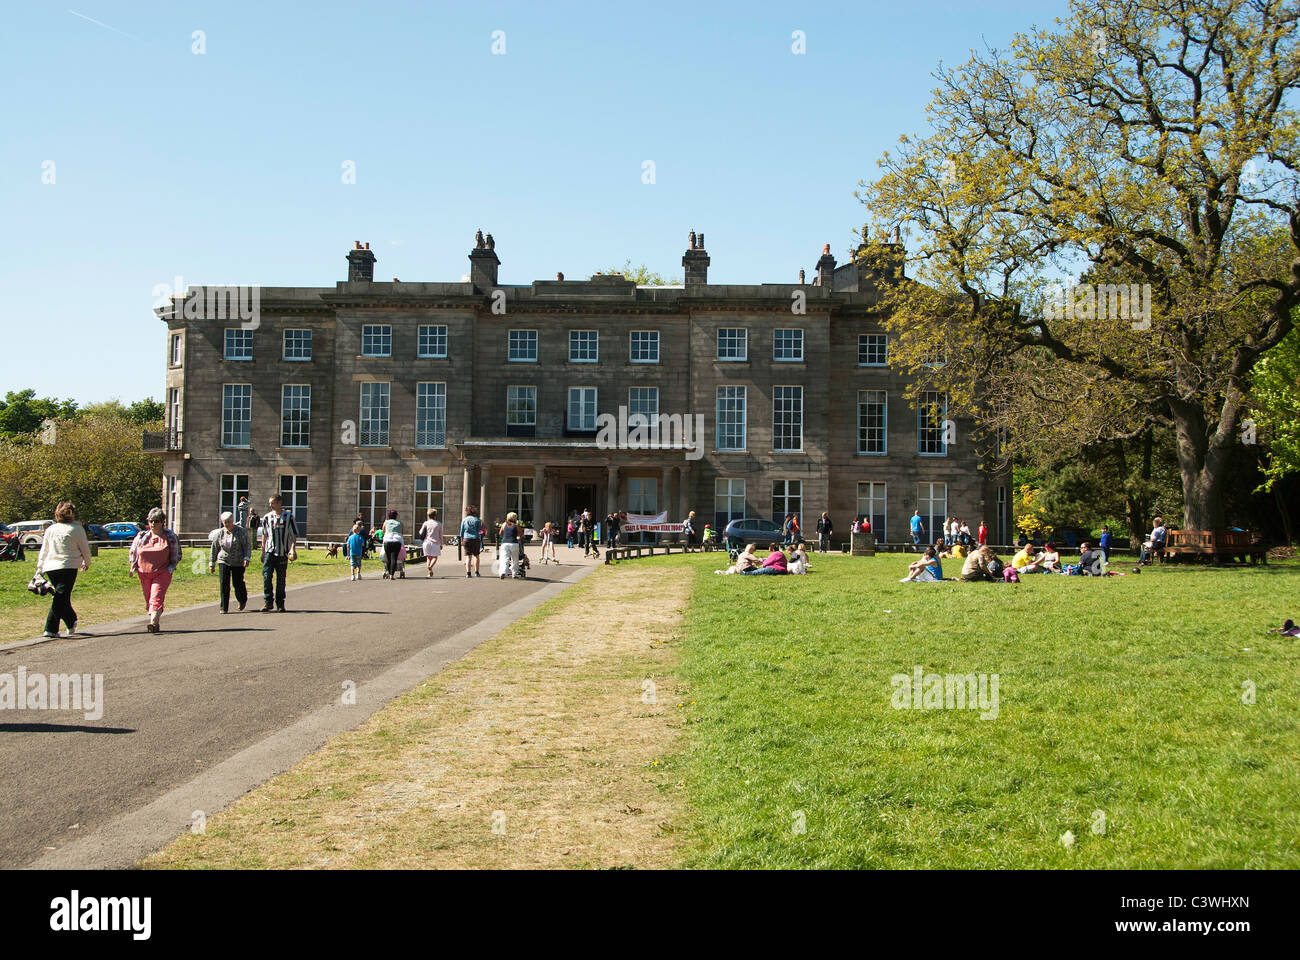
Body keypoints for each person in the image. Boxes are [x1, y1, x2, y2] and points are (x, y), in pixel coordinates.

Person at [35, 501, 93, 638]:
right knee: (61, 597)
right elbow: (85, 548)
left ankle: (70, 621)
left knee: (61, 596)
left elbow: (44, 550)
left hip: (51, 567)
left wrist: (40, 567)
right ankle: (51, 628)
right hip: (68, 566)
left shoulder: (51, 529)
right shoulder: (77, 529)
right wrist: (87, 562)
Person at [129, 507, 182, 632]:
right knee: (149, 599)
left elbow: (177, 554)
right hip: (144, 573)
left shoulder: (169, 536)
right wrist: (133, 567)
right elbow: (133, 552)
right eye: (151, 521)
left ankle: (153, 623)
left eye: (156, 521)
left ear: (162, 522)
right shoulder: (142, 536)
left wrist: (171, 569)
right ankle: (155, 622)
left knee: (156, 596)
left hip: (162, 572)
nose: (153, 524)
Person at [258, 494, 297, 612]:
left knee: (281, 579)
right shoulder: (267, 517)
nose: (270, 505)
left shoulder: (288, 517)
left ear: (279, 503)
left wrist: (292, 548)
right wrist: (263, 551)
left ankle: (280, 603)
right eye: (270, 503)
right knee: (266, 577)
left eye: (273, 503)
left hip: (282, 552)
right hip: (270, 551)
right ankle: (268, 602)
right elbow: (264, 535)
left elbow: (293, 534)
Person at [208, 511, 251, 613]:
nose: (227, 524)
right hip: (224, 560)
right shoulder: (219, 533)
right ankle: (224, 607)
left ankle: (242, 599)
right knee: (224, 584)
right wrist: (212, 563)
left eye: (229, 522)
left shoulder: (241, 532)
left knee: (237, 583)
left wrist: (246, 558)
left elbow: (247, 546)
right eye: (225, 522)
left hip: (238, 561)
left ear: (233, 521)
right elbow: (214, 548)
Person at [417, 508, 443, 578]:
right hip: (435, 543)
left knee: (428, 558)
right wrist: (441, 544)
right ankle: (430, 567)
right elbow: (440, 535)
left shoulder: (426, 523)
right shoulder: (439, 524)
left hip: (426, 542)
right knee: (435, 557)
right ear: (435, 515)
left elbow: (420, 532)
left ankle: (429, 573)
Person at [460, 505, 484, 577]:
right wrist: (482, 535)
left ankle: (468, 573)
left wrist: (462, 541)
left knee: (468, 557)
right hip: (476, 539)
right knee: (476, 556)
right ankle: (476, 572)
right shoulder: (477, 520)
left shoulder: (464, 520)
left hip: (467, 539)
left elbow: (461, 531)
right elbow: (480, 531)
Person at [499, 511, 523, 578]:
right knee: (515, 559)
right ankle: (514, 574)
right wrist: (518, 538)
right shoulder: (516, 525)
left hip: (505, 543)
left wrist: (505, 537)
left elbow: (500, 533)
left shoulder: (504, 524)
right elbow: (521, 534)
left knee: (504, 558)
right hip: (514, 543)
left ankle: (503, 572)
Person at [380, 509, 403, 580]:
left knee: (388, 558)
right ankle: (392, 575)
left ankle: (389, 572)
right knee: (394, 558)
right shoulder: (400, 523)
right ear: (396, 516)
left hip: (387, 540)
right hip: (397, 540)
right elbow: (402, 532)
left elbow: (383, 531)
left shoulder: (386, 522)